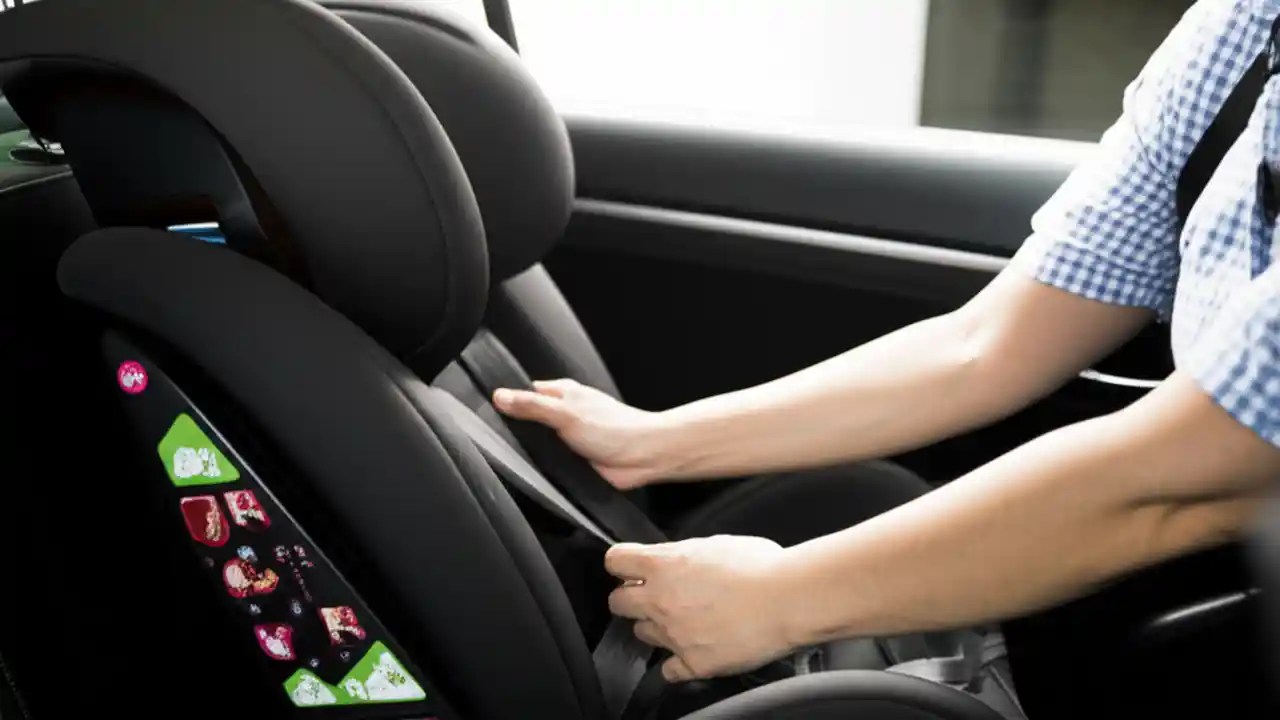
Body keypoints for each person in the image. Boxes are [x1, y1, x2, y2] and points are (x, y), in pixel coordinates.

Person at [494, 0, 1280, 684]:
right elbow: (986, 342)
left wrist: (778, 600)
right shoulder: (1242, 29)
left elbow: (1195, 480)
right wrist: (655, 442)